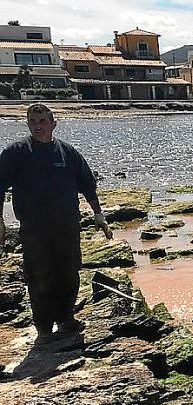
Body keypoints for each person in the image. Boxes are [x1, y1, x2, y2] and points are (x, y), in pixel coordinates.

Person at [0, 104, 112, 342]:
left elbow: (87, 184)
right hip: (34, 229)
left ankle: (66, 319)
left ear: (53, 124)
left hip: (67, 226)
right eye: (33, 122)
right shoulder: (15, 153)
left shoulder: (67, 153)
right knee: (40, 277)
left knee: (69, 273)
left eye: (42, 121)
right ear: (28, 124)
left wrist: (98, 214)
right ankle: (43, 329)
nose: (38, 126)